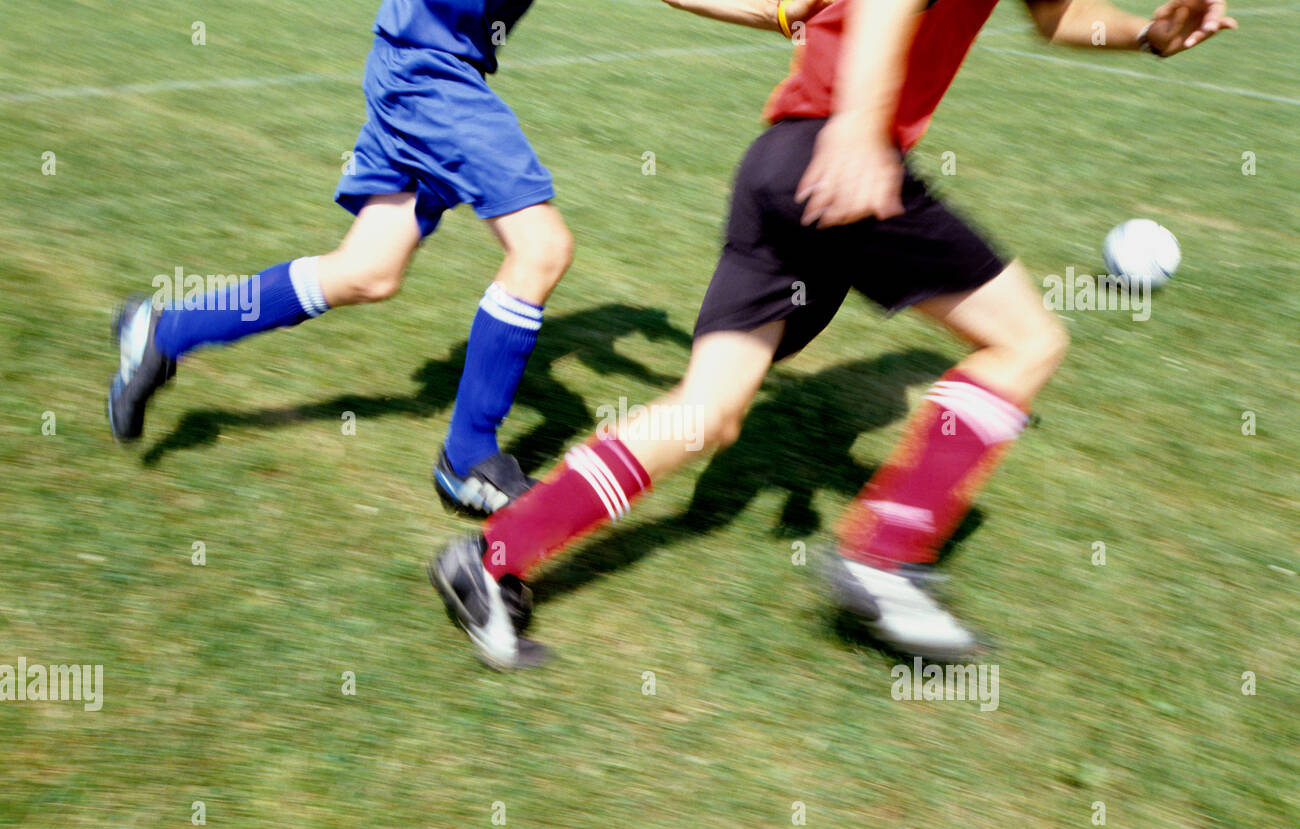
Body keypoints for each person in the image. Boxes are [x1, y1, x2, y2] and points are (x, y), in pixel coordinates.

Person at [430, 0, 1237, 669]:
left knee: (709, 410)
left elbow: (1055, 15)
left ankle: (492, 559)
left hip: (781, 164)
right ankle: (884, 556)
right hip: (838, 152)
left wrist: (1149, 34)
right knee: (1025, 343)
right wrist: (858, 127)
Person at [107, 0, 574, 516]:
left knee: (367, 272)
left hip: (423, 66)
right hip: (429, 74)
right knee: (542, 248)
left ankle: (163, 331)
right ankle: (467, 458)